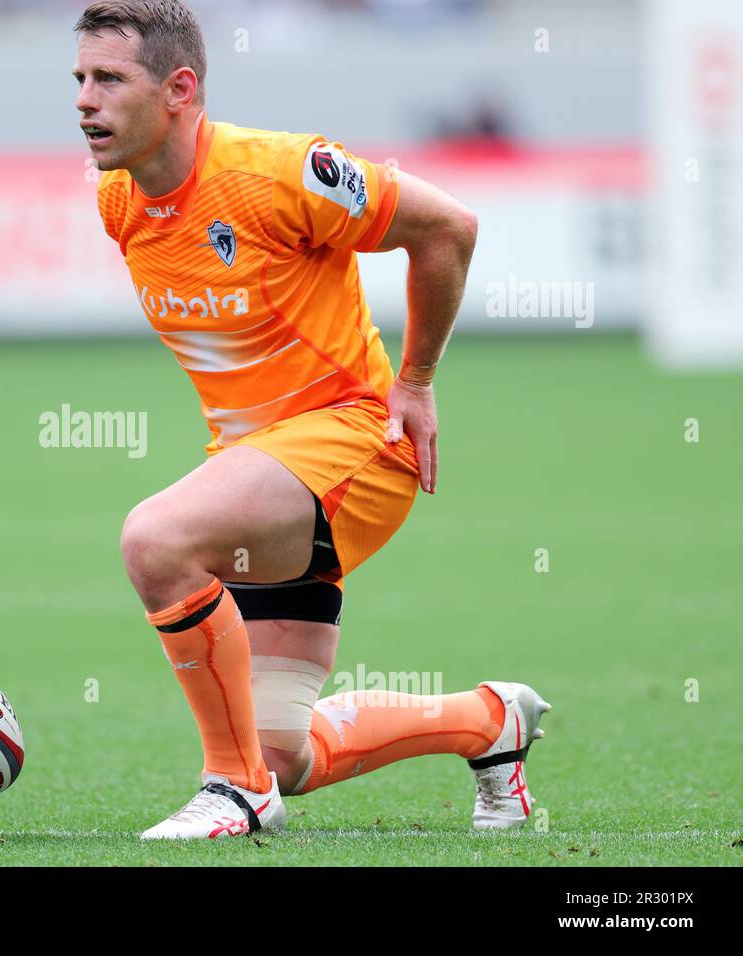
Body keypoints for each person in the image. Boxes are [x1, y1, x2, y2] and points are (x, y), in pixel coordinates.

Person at [73, 0, 551, 839]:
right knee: (285, 752)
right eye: (79, 78)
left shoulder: (283, 173)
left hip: (357, 443)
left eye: (109, 79)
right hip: (262, 471)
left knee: (156, 540)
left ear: (181, 88)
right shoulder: (118, 202)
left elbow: (448, 228)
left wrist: (419, 379)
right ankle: (491, 722)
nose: (84, 99)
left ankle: (233, 791)